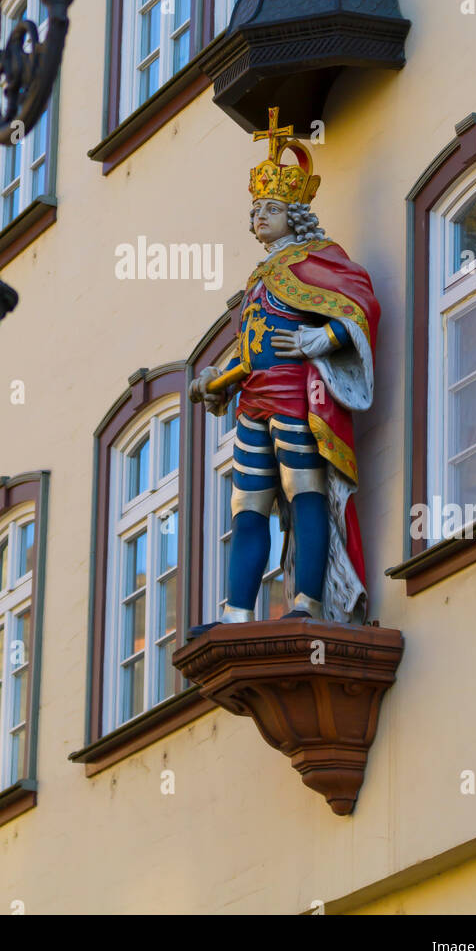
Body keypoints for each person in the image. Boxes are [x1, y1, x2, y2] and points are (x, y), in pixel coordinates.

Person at [190, 108, 380, 626]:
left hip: (298, 396)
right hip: (252, 402)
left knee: (304, 494)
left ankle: (307, 602)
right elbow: (252, 349)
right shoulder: (258, 278)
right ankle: (235, 613)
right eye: (255, 208)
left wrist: (322, 336)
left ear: (293, 213)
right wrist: (220, 380)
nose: (258, 216)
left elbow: (360, 305)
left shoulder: (319, 256)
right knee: (247, 508)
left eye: (268, 208)